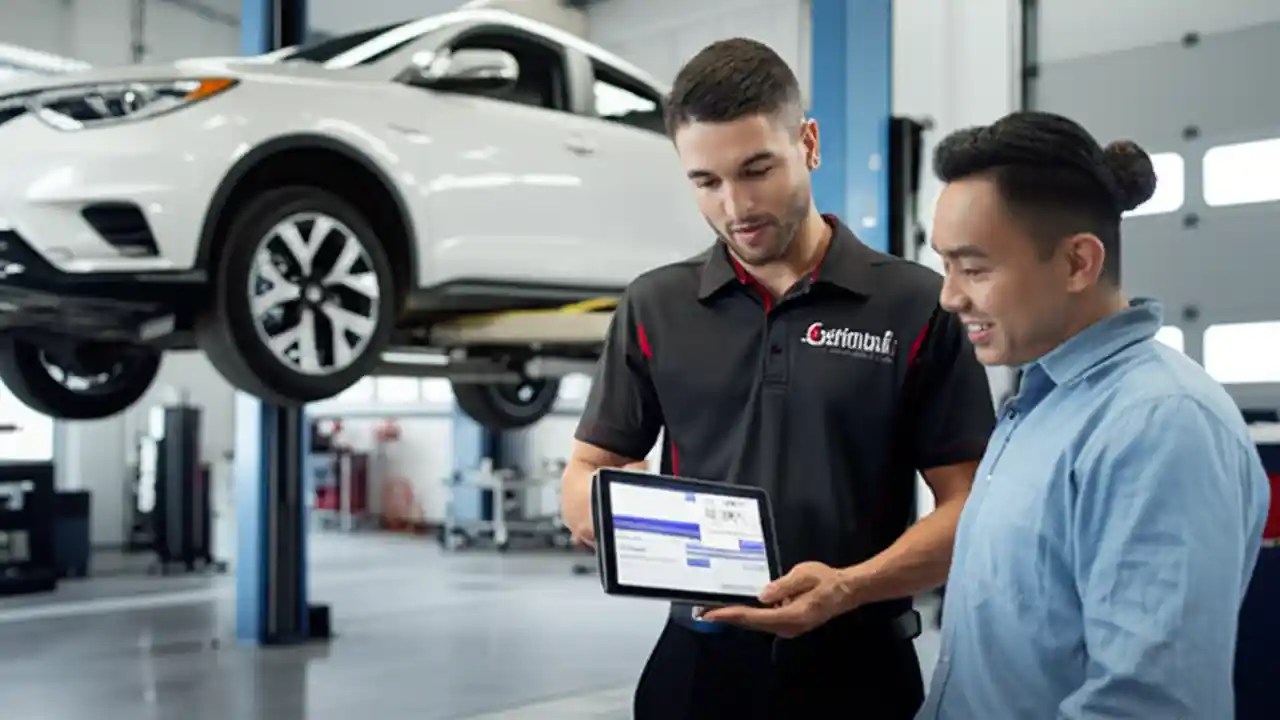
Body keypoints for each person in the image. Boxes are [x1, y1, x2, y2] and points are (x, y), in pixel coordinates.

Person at [559, 38, 996, 719]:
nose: (735, 206)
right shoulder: (654, 305)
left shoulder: (917, 305)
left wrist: (849, 587)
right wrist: (611, 517)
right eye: (706, 181)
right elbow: (588, 470)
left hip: (859, 674)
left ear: (810, 145)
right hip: (693, 672)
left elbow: (969, 508)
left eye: (757, 169)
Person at [916, 111, 1272, 719]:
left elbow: (1148, 705)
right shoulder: (1041, 402)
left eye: (973, 269)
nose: (950, 295)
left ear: (1079, 262)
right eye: (946, 266)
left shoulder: (1159, 426)